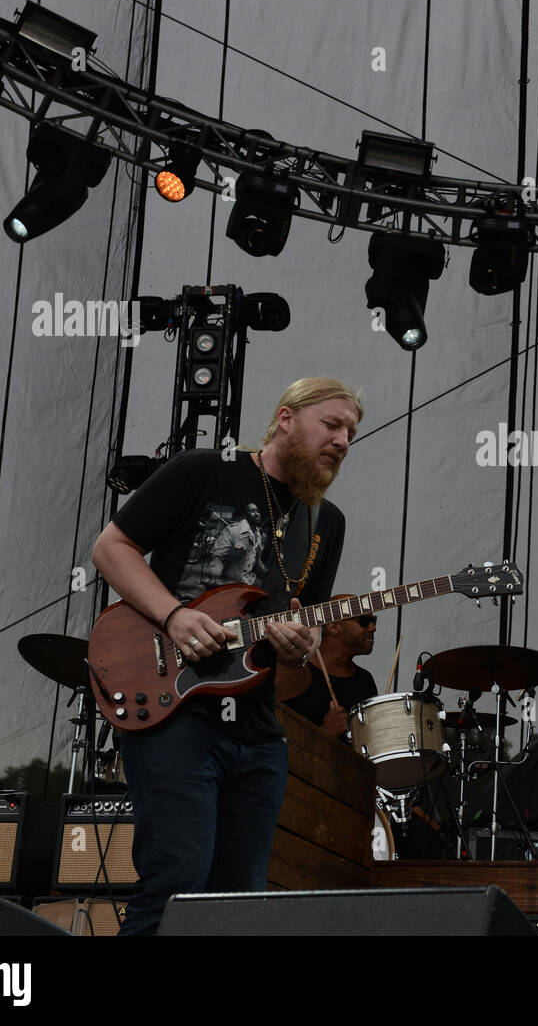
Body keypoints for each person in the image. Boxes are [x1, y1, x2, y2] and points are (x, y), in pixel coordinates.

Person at [91, 377, 363, 935]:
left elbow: (296, 638)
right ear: (286, 419)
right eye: (331, 424)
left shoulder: (326, 523)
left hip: (259, 734)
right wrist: (174, 615)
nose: (342, 440)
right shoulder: (205, 470)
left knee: (238, 907)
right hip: (177, 713)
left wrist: (299, 648)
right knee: (173, 887)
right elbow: (110, 548)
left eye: (351, 433)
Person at [285, 601, 378, 738]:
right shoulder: (297, 670)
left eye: (373, 621)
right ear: (333, 626)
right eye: (364, 621)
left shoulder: (365, 680)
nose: (373, 628)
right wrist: (325, 732)